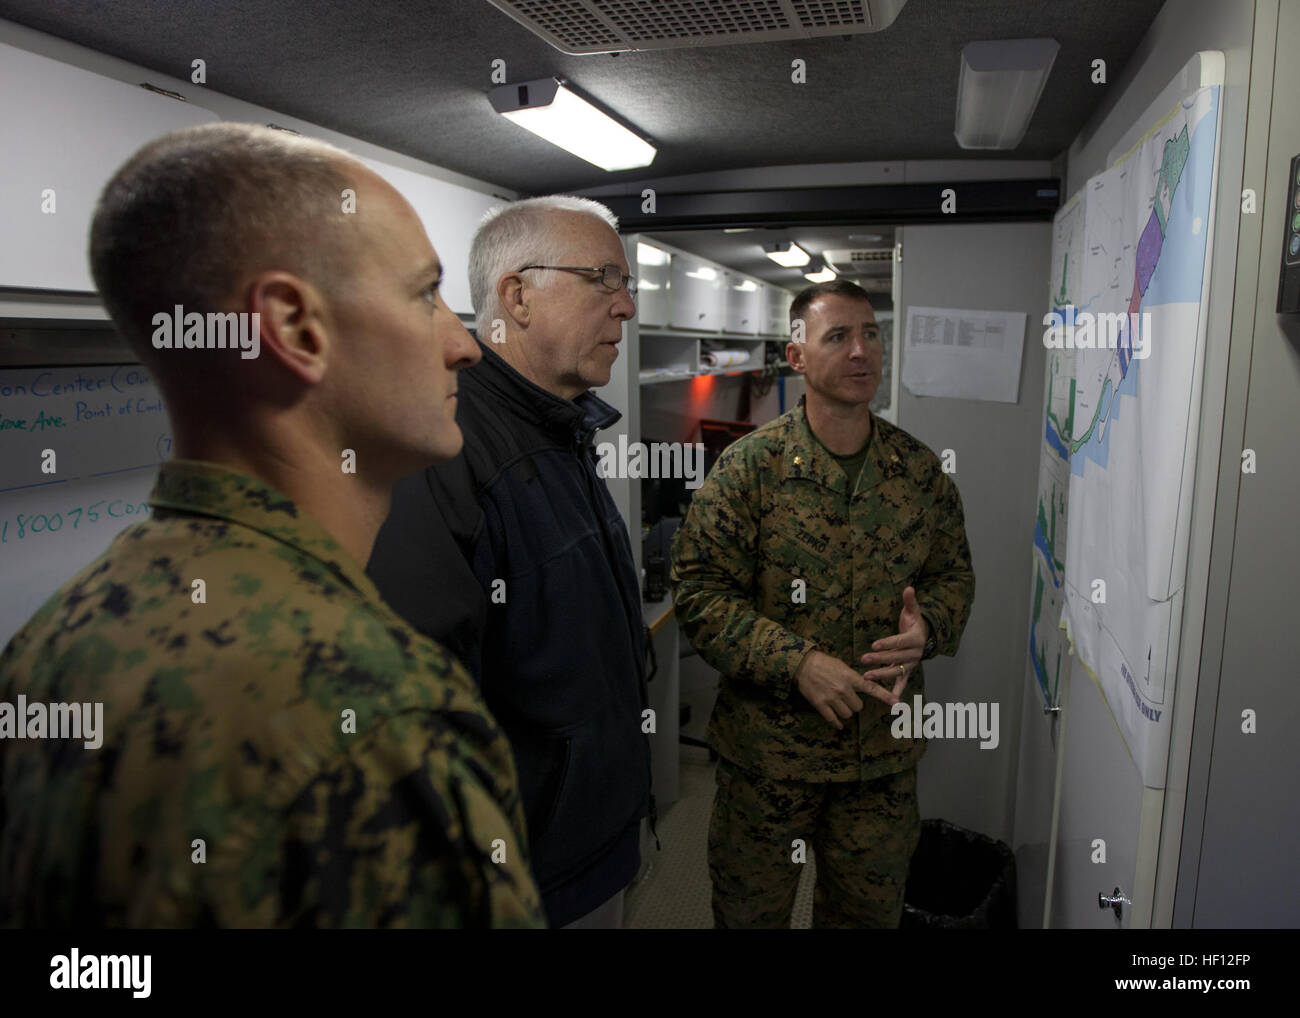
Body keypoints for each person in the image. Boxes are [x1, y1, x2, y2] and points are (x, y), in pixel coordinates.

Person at [0, 123, 545, 928]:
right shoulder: (378, 711)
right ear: (294, 328)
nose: (461, 345)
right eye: (423, 293)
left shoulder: (54, 640)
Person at [368, 195, 651, 929]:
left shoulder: (560, 428)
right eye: (602, 280)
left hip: (588, 841)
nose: (624, 308)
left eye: (628, 287)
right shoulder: (446, 451)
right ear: (516, 297)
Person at [670, 278, 975, 928]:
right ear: (797, 356)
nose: (862, 351)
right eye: (838, 336)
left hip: (880, 767)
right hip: (769, 764)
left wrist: (931, 628)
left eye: (871, 334)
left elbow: (954, 577)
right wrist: (796, 662)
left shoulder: (919, 474)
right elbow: (698, 594)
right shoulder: (749, 471)